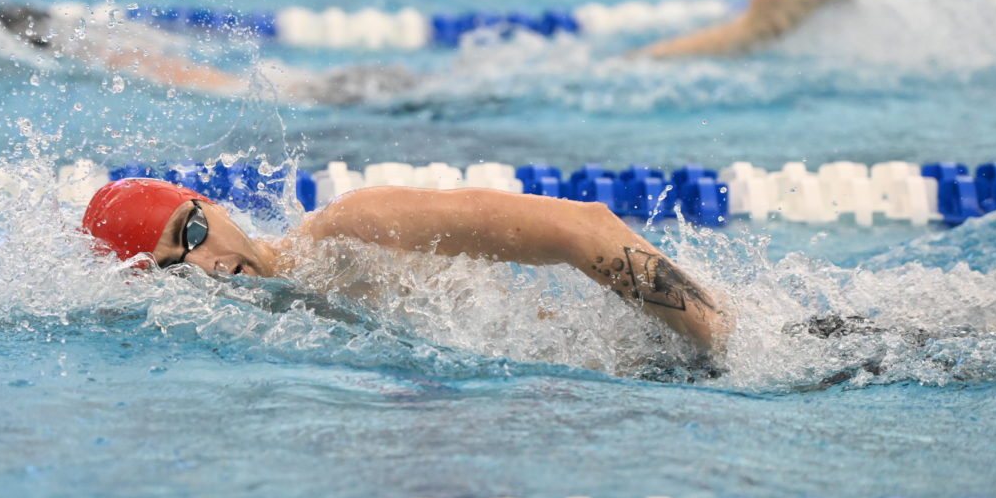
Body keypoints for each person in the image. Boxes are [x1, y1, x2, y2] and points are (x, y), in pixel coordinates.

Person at [82, 177, 733, 353]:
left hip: (678, 353)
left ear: (213, 205)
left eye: (191, 230)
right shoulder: (258, 337)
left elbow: (580, 227)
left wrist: (720, 341)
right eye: (174, 268)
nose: (206, 264)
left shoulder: (351, 230)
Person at [0, 0, 853, 102]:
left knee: (583, 79)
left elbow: (178, 71)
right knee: (586, 69)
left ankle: (745, 31)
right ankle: (743, 31)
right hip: (354, 80)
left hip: (350, 94)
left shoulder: (128, 59)